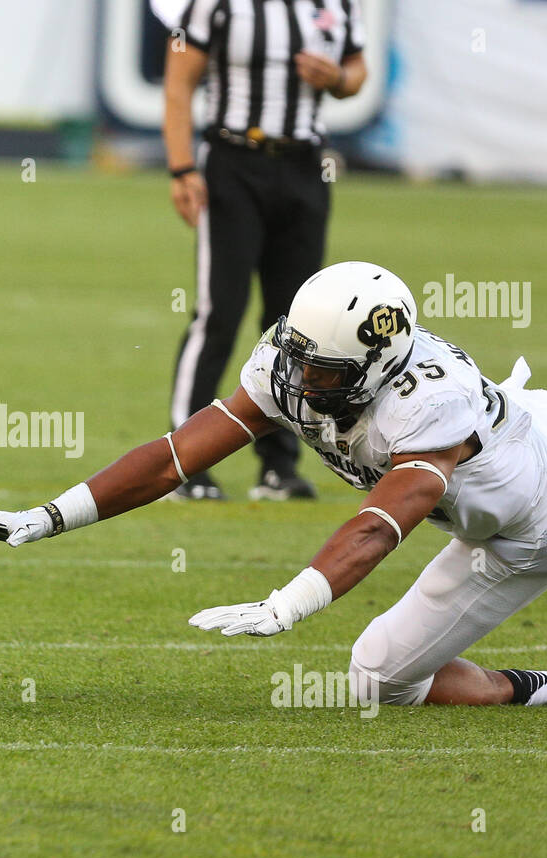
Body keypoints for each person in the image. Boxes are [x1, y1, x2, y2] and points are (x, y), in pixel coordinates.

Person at [0, 261, 547, 707]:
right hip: (543, 434)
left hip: (532, 526)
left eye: (322, 370)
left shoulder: (426, 406)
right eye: (298, 356)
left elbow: (379, 525)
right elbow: (176, 456)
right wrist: (49, 515)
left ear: (379, 365)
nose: (299, 378)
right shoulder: (299, 361)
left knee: (377, 678)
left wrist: (287, 603)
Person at [164, 0, 366, 500]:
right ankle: (184, 461)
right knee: (220, 311)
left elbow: (358, 67)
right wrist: (181, 167)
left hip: (305, 165)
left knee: (298, 324)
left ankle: (278, 466)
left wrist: (337, 77)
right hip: (234, 159)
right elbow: (180, 76)